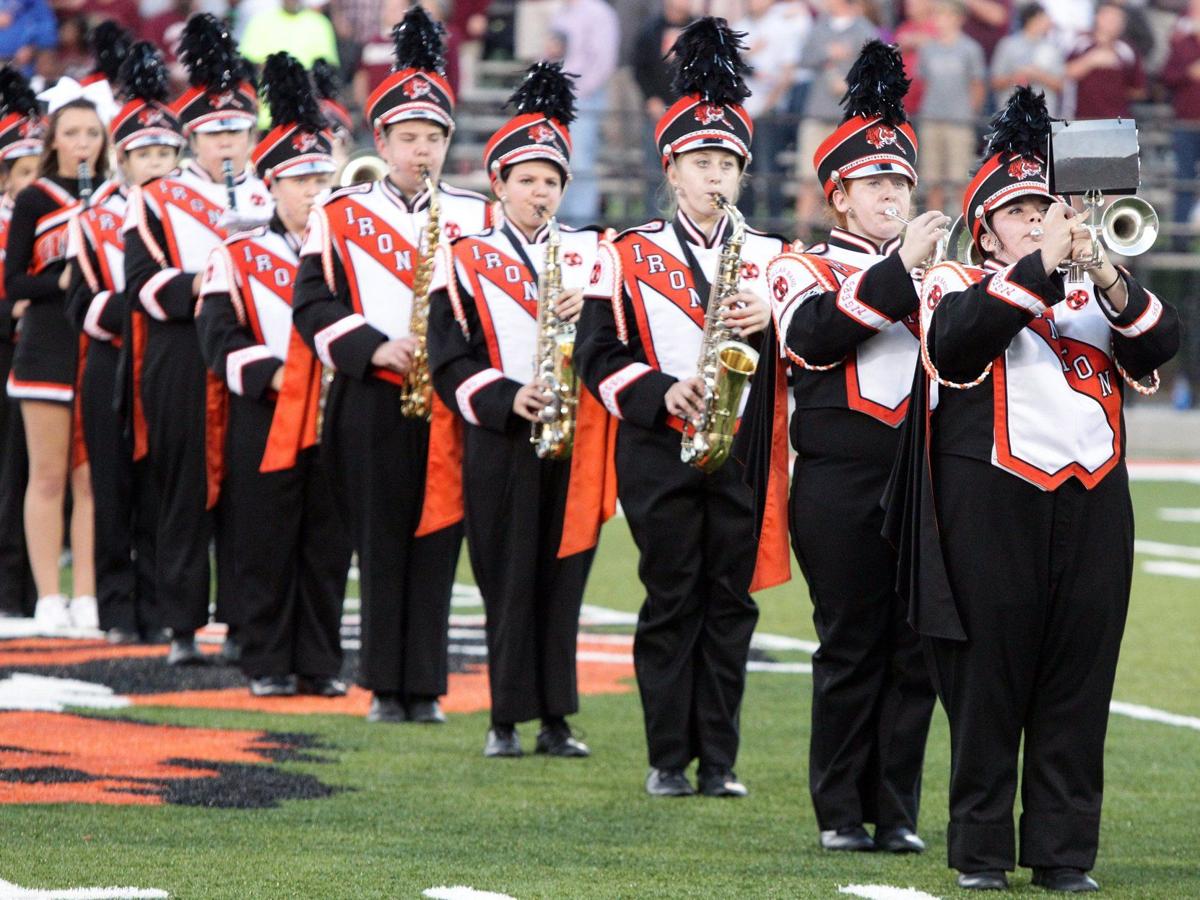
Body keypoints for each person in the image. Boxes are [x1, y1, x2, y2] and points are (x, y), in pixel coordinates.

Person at [886, 87, 1180, 893]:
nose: (1039, 221)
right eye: (1019, 212)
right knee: (988, 685)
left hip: (1094, 503)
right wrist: (1042, 265)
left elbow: (1161, 340)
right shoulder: (952, 280)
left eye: (1046, 208)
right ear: (986, 230)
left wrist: (1105, 271)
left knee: (1079, 683)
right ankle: (981, 851)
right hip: (993, 504)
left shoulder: (1095, 288)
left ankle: (1063, 852)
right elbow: (957, 342)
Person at [576, 17, 790, 798]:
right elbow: (595, 356)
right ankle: (669, 756)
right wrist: (661, 390)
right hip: (657, 449)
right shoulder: (623, 252)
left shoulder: (773, 256)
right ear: (671, 168)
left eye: (727, 163)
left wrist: (774, 321)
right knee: (671, 598)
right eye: (701, 162)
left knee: (730, 603)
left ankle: (720, 760)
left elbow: (812, 353)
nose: (715, 176)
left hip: (741, 449)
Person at [764, 40, 945, 853]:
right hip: (840, 480)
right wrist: (902, 271)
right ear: (838, 197)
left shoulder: (939, 273)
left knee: (915, 651)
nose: (892, 195)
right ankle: (841, 810)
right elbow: (814, 336)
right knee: (850, 645)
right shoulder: (798, 266)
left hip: (925, 480)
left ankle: (896, 810)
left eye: (900, 183)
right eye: (875, 184)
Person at [292, 4, 491, 725]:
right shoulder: (338, 211)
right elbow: (311, 305)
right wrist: (374, 346)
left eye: (434, 137)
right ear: (382, 139)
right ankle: (383, 684)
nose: (421, 150)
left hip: (450, 398)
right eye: (408, 138)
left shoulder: (476, 215)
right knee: (377, 542)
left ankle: (425, 685)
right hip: (371, 393)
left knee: (439, 537)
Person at [428, 60, 616, 758]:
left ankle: (556, 720)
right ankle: (504, 718)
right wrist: (509, 398)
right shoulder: (462, 257)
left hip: (576, 437)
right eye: (527, 180)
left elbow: (618, 342)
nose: (540, 192)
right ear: (498, 184)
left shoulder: (593, 254)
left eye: (551, 181)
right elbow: (447, 361)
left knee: (564, 578)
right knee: (505, 578)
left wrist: (589, 308)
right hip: (500, 438)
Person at [196, 52, 350, 698]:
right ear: (271, 186)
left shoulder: (349, 253)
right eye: (300, 180)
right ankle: (266, 662)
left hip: (335, 411)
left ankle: (318, 662)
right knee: (264, 540)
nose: (313, 192)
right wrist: (275, 377)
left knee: (328, 541)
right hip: (265, 411)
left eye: (321, 178)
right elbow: (217, 337)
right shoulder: (236, 253)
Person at [123, 13, 272, 666]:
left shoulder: (273, 194)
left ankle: (243, 620)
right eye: (214, 132)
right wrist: (217, 282)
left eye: (237, 129)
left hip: (250, 353)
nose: (227, 141)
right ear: (192, 138)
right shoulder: (157, 197)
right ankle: (181, 624)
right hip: (180, 354)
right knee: (183, 488)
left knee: (248, 491)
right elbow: (144, 288)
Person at [64, 41, 182, 644]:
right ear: (123, 157)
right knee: (110, 488)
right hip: (112, 362)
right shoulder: (91, 217)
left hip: (166, 364)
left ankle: (160, 607)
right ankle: (115, 608)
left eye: (165, 152)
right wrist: (144, 305)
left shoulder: (191, 213)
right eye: (144, 154)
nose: (156, 164)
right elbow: (81, 304)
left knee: (162, 489)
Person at [4, 86, 107, 632]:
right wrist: (58, 280)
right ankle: (49, 595)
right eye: (72, 133)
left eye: (92, 133)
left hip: (98, 345)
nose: (83, 143)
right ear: (54, 141)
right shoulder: (34, 199)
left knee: (90, 480)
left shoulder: (115, 195)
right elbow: (13, 281)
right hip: (46, 345)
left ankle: (87, 593)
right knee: (46, 477)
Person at [0, 65, 40, 618]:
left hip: (36, 352)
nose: (32, 180)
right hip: (8, 346)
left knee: (28, 474)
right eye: (22, 169)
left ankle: (26, 590)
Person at [793, 0, 878, 233]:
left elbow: (875, 71)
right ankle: (801, 234)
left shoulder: (865, 30)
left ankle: (843, 234)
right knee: (807, 176)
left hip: (849, 117)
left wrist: (851, 85)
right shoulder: (820, 26)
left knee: (846, 179)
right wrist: (826, 54)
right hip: (817, 112)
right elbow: (803, 58)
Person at [916, 0, 985, 214]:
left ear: (958, 19)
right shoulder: (928, 48)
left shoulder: (970, 48)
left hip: (959, 122)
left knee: (960, 177)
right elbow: (923, 82)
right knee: (932, 179)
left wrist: (969, 112)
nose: (940, 21)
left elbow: (978, 84)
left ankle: (962, 225)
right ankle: (934, 224)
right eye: (938, 16)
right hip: (931, 118)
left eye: (946, 16)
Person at [1160, 0, 1200, 249]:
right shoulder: (1182, 44)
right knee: (1183, 180)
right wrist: (1189, 72)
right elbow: (1167, 76)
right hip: (1186, 123)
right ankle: (1180, 240)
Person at [1063, 2, 1145, 120]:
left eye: (1118, 19)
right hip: (1082, 118)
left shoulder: (1127, 50)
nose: (1113, 23)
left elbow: (1138, 89)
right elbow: (1064, 75)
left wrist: (1115, 91)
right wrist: (1091, 61)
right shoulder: (1080, 44)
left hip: (1118, 120)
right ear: (1098, 18)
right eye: (1109, 18)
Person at [990, 3, 1065, 116]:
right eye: (1044, 18)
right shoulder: (1008, 45)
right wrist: (1017, 76)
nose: (1049, 22)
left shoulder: (1053, 48)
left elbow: (1060, 85)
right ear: (1033, 19)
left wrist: (1037, 74)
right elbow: (995, 82)